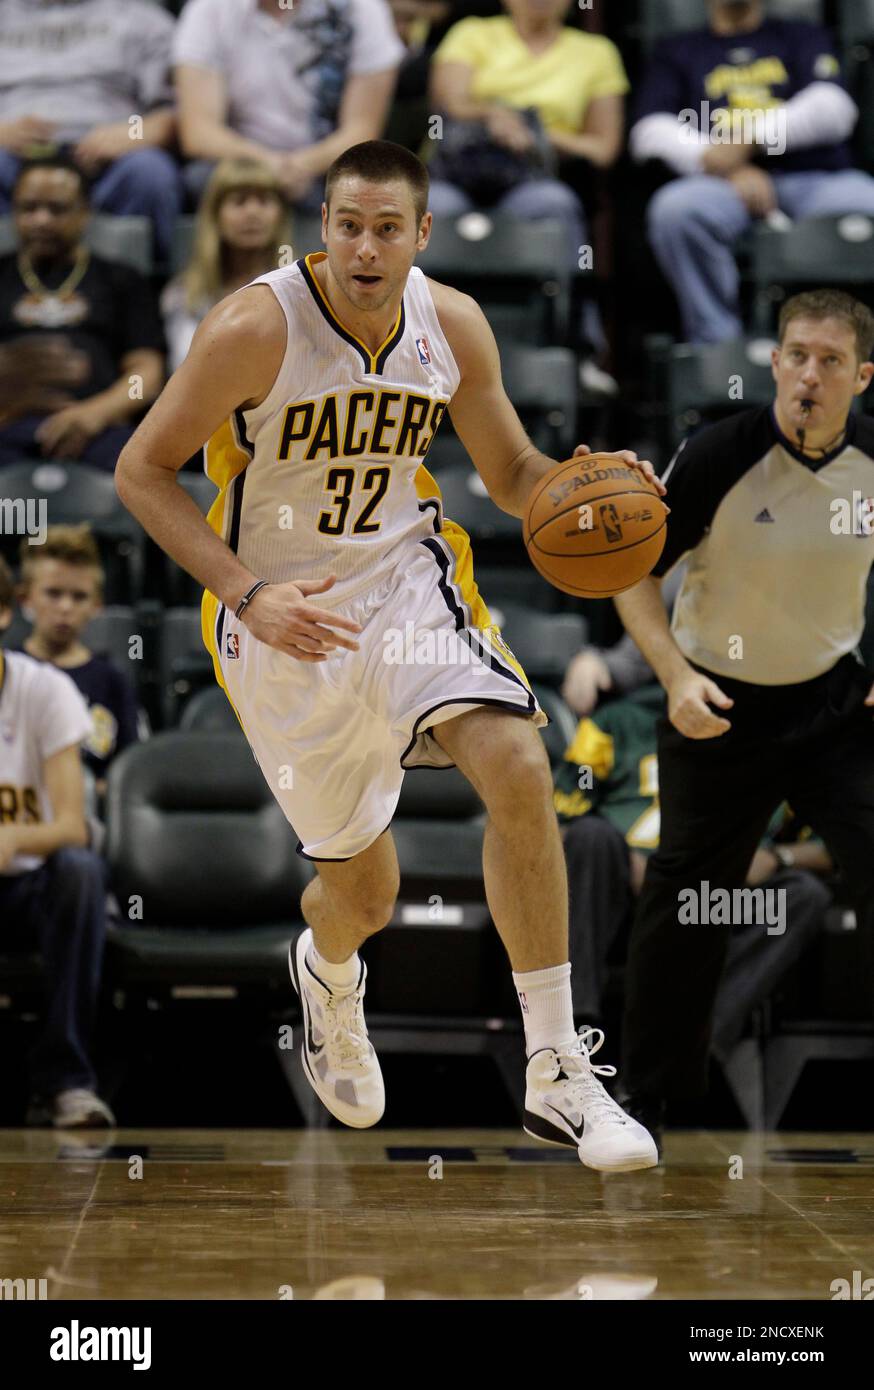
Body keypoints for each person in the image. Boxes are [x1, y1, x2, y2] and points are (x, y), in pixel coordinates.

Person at [115, 138, 667, 1172]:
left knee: (516, 761)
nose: (365, 248)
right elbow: (141, 470)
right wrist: (248, 591)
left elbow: (510, 472)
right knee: (364, 894)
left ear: (420, 234)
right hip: (279, 617)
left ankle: (556, 1066)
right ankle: (328, 972)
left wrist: (583, 481)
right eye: (346, 224)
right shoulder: (252, 328)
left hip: (405, 581)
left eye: (387, 228)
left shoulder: (449, 322)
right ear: (320, 226)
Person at [610, 286, 874, 1146]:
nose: (809, 375)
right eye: (796, 355)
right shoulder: (720, 453)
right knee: (685, 903)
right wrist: (675, 677)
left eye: (831, 361)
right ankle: (644, 1104)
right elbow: (631, 573)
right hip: (719, 706)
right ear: (773, 362)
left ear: (861, 376)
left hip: (832, 703)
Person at [553, 684, 832, 1066]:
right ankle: (574, 1033)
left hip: (710, 906)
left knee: (802, 895)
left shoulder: (781, 737)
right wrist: (621, 854)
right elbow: (556, 821)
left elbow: (831, 845)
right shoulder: (615, 722)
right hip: (622, 902)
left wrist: (777, 856)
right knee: (589, 837)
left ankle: (690, 1046)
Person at [630, 0, 874, 343]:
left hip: (813, 179)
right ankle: (721, 350)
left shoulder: (800, 35)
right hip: (720, 189)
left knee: (868, 202)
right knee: (675, 211)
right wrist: (720, 165)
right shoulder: (678, 50)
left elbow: (834, 107)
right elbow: (649, 132)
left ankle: (855, 345)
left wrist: (751, 140)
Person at [428, 0, 628, 389]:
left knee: (555, 206)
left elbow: (603, 148)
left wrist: (533, 133)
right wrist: (493, 116)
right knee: (431, 208)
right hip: (460, 172)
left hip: (531, 180)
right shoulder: (472, 32)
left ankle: (575, 349)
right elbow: (449, 101)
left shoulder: (596, 52)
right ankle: (410, 347)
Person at [0, 554, 115, 1129]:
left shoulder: (43, 690)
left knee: (81, 869)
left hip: (28, 888)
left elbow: (73, 827)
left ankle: (66, 1081)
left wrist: (13, 836)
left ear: (4, 614)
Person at [0, 157, 165, 470]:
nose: (41, 220)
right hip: (7, 425)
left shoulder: (121, 279)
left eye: (57, 209)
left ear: (85, 212)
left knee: (147, 469)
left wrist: (94, 414)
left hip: (99, 430)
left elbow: (147, 374)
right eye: (28, 208)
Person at [173, 0, 405, 212]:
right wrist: (269, 166)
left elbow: (362, 130)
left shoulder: (361, 10)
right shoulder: (209, 10)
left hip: (326, 168)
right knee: (206, 181)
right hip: (240, 165)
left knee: (368, 192)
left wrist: (302, 166)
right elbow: (199, 133)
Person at [0, 0, 181, 261]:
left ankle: (145, 290)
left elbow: (171, 113)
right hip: (11, 157)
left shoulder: (142, 18)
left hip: (110, 158)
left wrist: (130, 134)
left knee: (150, 173)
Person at [13, 525, 141, 798]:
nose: (66, 607)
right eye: (53, 593)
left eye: (79, 596)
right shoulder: (8, 670)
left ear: (96, 605)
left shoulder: (112, 680)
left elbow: (129, 770)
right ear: (25, 597)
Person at [162, 158, 293, 374]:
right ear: (215, 216)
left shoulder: (303, 289)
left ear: (281, 215)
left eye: (264, 201)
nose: (253, 212)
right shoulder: (184, 295)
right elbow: (184, 370)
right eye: (239, 201)